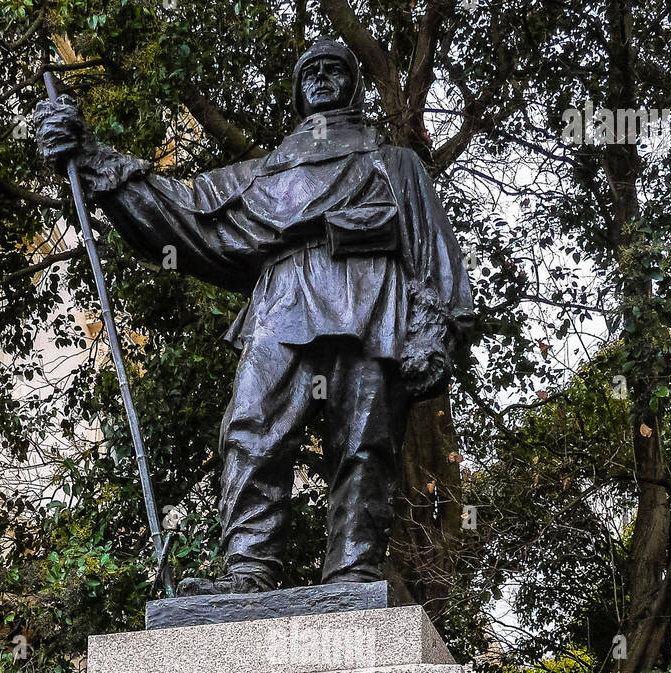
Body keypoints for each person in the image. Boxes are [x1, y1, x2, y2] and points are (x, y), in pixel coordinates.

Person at [35, 38, 473, 593]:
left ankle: (354, 572)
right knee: (252, 428)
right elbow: (187, 210)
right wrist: (91, 157)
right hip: (283, 303)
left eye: (334, 69)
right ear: (295, 91)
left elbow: (433, 249)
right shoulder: (263, 177)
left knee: (363, 442)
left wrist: (434, 332)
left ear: (354, 86)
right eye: (308, 71)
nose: (320, 78)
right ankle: (248, 569)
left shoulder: (395, 164)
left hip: (372, 302)